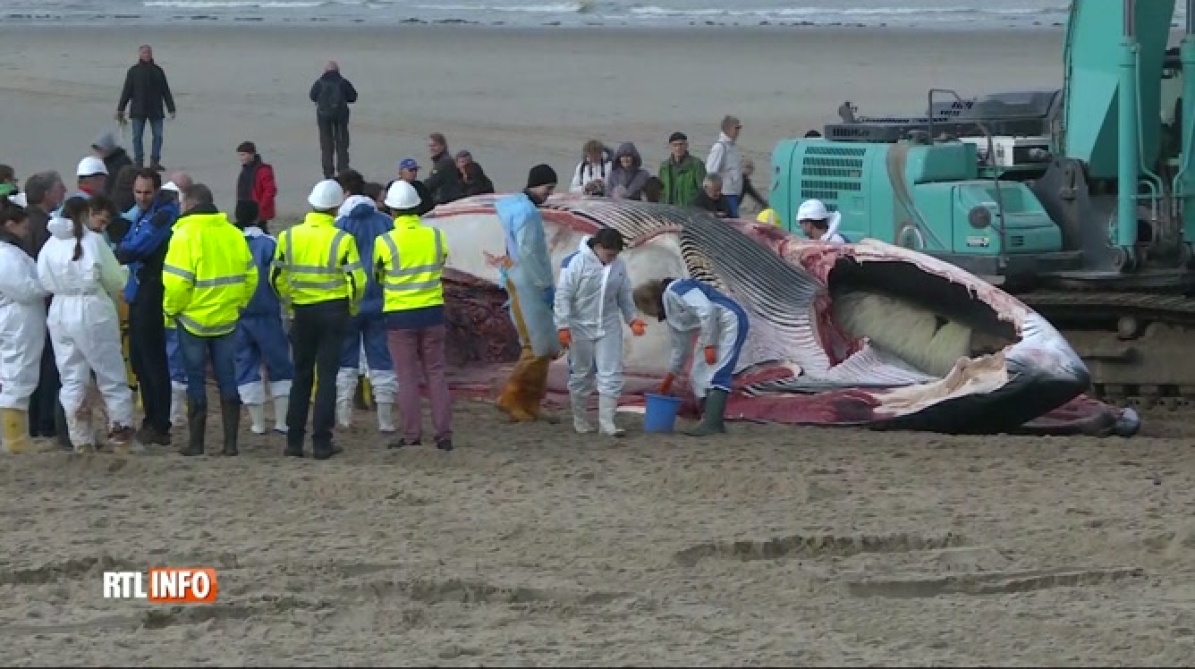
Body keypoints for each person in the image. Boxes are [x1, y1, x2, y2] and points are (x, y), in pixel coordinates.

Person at [270, 179, 366, 459]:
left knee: (300, 376)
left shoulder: (289, 236)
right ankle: (322, 441)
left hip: (302, 311)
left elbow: (275, 277)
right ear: (336, 208)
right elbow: (357, 281)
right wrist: (352, 306)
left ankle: (294, 440)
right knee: (326, 378)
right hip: (334, 311)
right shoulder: (342, 239)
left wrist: (290, 300)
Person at [162, 183, 257, 457]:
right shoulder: (233, 234)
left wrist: (171, 310)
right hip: (227, 318)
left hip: (192, 319)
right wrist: (238, 304)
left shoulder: (184, 235)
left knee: (195, 379)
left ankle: (197, 443)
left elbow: (177, 283)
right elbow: (251, 276)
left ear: (190, 204)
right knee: (228, 378)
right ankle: (230, 444)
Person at [36, 198, 135, 454]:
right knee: (111, 375)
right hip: (91, 308)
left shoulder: (50, 245)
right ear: (85, 214)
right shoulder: (93, 242)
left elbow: (43, 280)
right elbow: (114, 280)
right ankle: (121, 436)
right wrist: (123, 272)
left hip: (59, 309)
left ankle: (81, 440)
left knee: (71, 378)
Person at [373, 180, 453, 451]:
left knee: (406, 377)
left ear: (392, 210)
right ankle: (443, 433)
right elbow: (441, 261)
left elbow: (378, 275)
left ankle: (412, 434)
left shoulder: (384, 242)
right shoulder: (435, 236)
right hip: (432, 311)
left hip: (399, 315)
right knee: (436, 373)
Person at [554, 229, 646, 437]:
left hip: (608, 325)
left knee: (611, 372)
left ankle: (607, 423)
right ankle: (580, 419)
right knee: (581, 372)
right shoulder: (575, 263)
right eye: (609, 254)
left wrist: (632, 319)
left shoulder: (618, 266)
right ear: (597, 247)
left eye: (615, 255)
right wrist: (562, 326)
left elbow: (624, 294)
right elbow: (563, 296)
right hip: (579, 326)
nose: (612, 258)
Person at [632, 278, 749, 437]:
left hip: (730, 321)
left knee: (718, 373)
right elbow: (680, 347)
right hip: (712, 329)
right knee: (698, 375)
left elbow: (707, 310)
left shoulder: (679, 288)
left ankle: (712, 423)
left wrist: (709, 345)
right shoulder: (672, 312)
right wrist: (671, 375)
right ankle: (708, 418)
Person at [115, 168, 179, 446]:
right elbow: (130, 243)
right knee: (141, 360)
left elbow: (135, 247)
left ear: (156, 190)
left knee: (152, 360)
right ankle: (152, 419)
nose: (142, 197)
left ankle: (159, 423)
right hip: (140, 287)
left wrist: (123, 251)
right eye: (138, 192)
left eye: (146, 193)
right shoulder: (145, 213)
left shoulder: (163, 214)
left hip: (153, 289)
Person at [494, 164, 561, 423]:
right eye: (548, 188)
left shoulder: (516, 209)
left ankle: (530, 402)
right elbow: (529, 252)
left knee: (541, 346)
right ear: (536, 184)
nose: (549, 194)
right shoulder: (527, 214)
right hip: (528, 283)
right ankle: (511, 398)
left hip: (519, 277)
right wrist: (544, 286)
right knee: (535, 345)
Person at [333, 169, 398, 433]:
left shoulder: (338, 227)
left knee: (346, 360)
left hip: (347, 302)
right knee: (381, 359)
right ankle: (385, 420)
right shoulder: (385, 222)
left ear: (345, 194)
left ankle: (344, 416)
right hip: (381, 300)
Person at [232, 200, 294, 436]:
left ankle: (257, 423)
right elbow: (280, 277)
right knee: (279, 364)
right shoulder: (269, 243)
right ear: (258, 217)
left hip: (238, 314)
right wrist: (286, 303)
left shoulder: (231, 243)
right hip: (268, 313)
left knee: (245, 365)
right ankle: (281, 421)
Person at [0, 203, 48, 454]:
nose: (27, 232)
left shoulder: (10, 254)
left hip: (15, 319)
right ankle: (14, 439)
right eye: (24, 227)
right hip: (17, 321)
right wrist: (51, 282)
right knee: (17, 376)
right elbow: (25, 289)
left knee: (13, 375)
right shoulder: (7, 256)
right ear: (10, 225)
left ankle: (14, 434)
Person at [115, 44, 176, 171]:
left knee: (158, 136)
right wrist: (121, 109)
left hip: (156, 109)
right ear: (140, 54)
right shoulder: (133, 71)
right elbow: (127, 91)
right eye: (144, 53)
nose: (146, 55)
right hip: (138, 109)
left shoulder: (158, 71)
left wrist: (171, 108)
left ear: (151, 54)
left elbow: (166, 90)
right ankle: (139, 161)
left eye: (148, 52)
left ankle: (155, 161)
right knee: (137, 137)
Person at [309, 61, 358, 179]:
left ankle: (328, 172)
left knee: (326, 144)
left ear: (325, 71)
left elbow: (312, 96)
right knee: (342, 144)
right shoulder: (343, 82)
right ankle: (343, 170)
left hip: (323, 116)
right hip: (341, 116)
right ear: (338, 71)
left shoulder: (319, 83)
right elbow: (353, 97)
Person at [705, 115, 744, 218]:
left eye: (739, 128)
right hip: (726, 194)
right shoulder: (720, 147)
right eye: (736, 128)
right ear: (727, 128)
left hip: (733, 193)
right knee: (732, 224)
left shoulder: (732, 146)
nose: (738, 131)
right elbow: (711, 171)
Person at [235, 141, 277, 227]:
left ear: (251, 154)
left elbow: (270, 190)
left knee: (260, 232)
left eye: (243, 155)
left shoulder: (263, 170)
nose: (241, 158)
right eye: (240, 155)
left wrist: (260, 209)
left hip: (258, 213)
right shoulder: (246, 169)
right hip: (245, 210)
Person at [658, 132, 706, 206]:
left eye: (681, 144)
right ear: (670, 147)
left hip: (690, 210)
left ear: (686, 145)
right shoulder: (664, 167)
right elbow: (660, 191)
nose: (678, 148)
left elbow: (703, 190)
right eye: (675, 145)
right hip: (668, 210)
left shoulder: (696, 164)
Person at [92, 131, 135, 197]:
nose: (98, 152)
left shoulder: (121, 162)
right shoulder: (107, 161)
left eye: (100, 149)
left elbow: (110, 184)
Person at [424, 132, 461, 206]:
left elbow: (431, 183)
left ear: (443, 146)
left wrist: (417, 189)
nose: (431, 148)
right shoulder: (444, 160)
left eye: (434, 146)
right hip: (448, 200)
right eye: (430, 146)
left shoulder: (444, 163)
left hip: (444, 202)